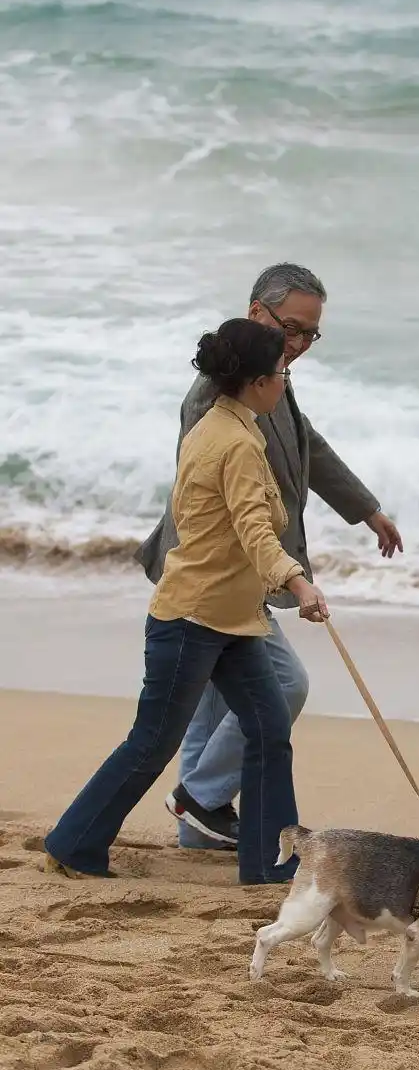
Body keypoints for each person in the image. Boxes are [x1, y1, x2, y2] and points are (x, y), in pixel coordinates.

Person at [45, 319, 329, 885]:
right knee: (153, 741)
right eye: (278, 372)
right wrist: (298, 582)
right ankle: (74, 842)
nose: (285, 379)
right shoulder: (233, 442)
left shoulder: (232, 426)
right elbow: (254, 530)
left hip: (234, 621)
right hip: (191, 620)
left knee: (269, 730)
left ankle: (270, 865)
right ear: (254, 382)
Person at [135, 263, 402, 851]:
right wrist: (283, 574)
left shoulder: (269, 371)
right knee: (284, 686)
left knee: (211, 706)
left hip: (238, 576)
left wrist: (365, 509)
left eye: (311, 334)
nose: (301, 345)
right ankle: (199, 797)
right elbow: (204, 497)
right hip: (213, 576)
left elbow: (308, 442)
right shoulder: (217, 392)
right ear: (258, 312)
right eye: (293, 329)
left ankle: (199, 827)